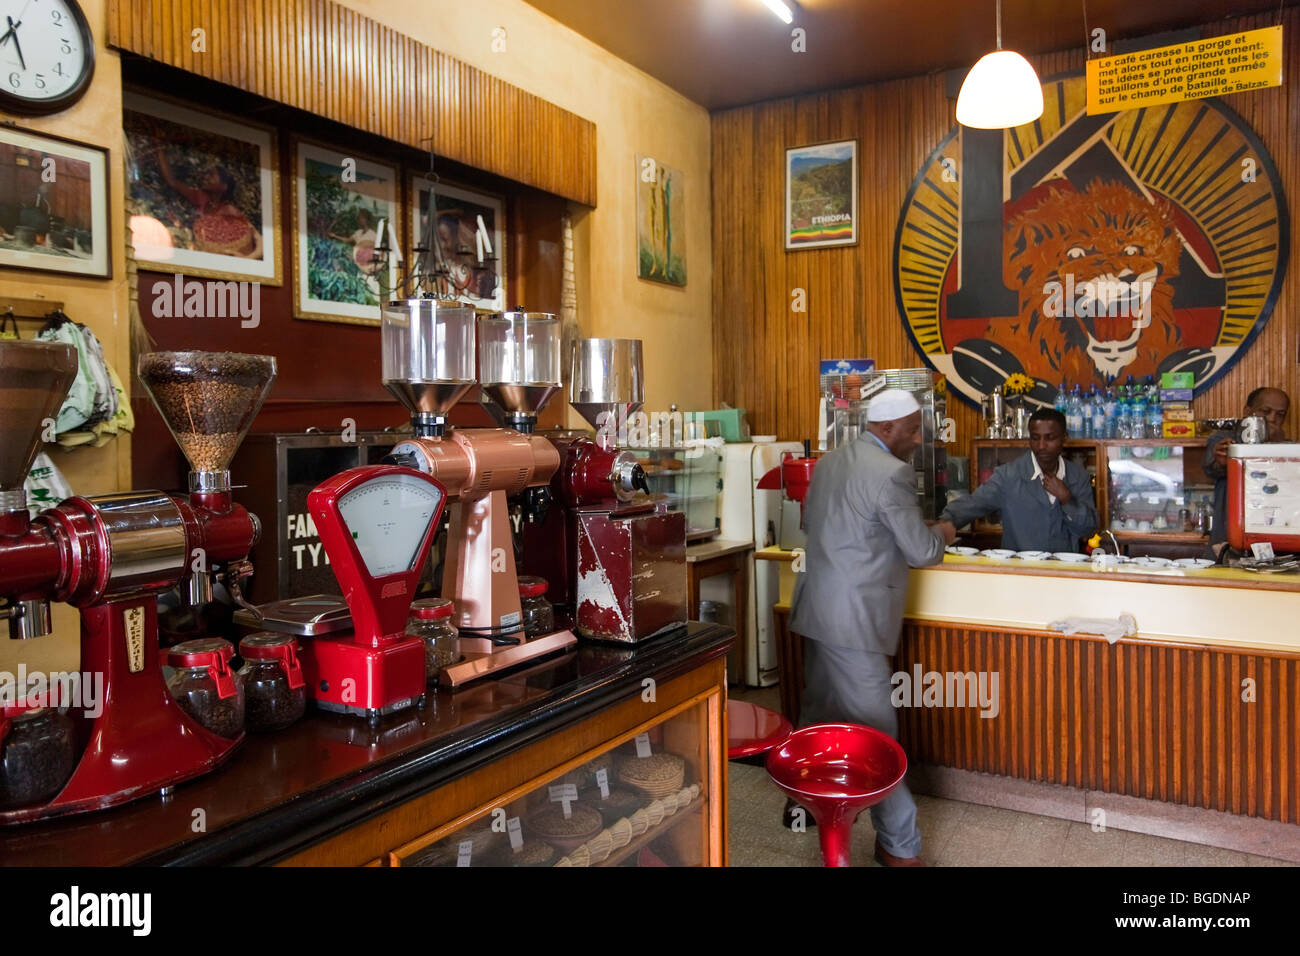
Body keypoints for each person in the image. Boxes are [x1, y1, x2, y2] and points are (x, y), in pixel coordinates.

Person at [788, 388, 956, 867]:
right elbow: (921, 551)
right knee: (877, 734)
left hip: (817, 609)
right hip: (853, 623)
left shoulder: (831, 462)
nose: (918, 437)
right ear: (886, 429)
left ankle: (806, 807)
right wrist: (943, 531)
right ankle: (898, 847)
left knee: (819, 716)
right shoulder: (892, 474)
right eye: (912, 428)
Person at [939, 408, 1097, 552]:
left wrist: (1066, 499)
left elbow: (1088, 529)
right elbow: (974, 503)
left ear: (1064, 438)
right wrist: (945, 521)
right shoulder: (1009, 475)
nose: (1041, 445)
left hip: (1064, 574)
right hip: (1019, 573)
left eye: (1050, 438)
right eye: (1035, 438)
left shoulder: (1078, 477)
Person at [1203, 387, 1290, 556]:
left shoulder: (1289, 448)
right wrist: (1222, 463)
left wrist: (1277, 445)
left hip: (1272, 539)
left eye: (1280, 414)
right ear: (1247, 412)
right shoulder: (1224, 441)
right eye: (1265, 411)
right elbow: (1211, 468)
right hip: (1228, 538)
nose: (1272, 419)